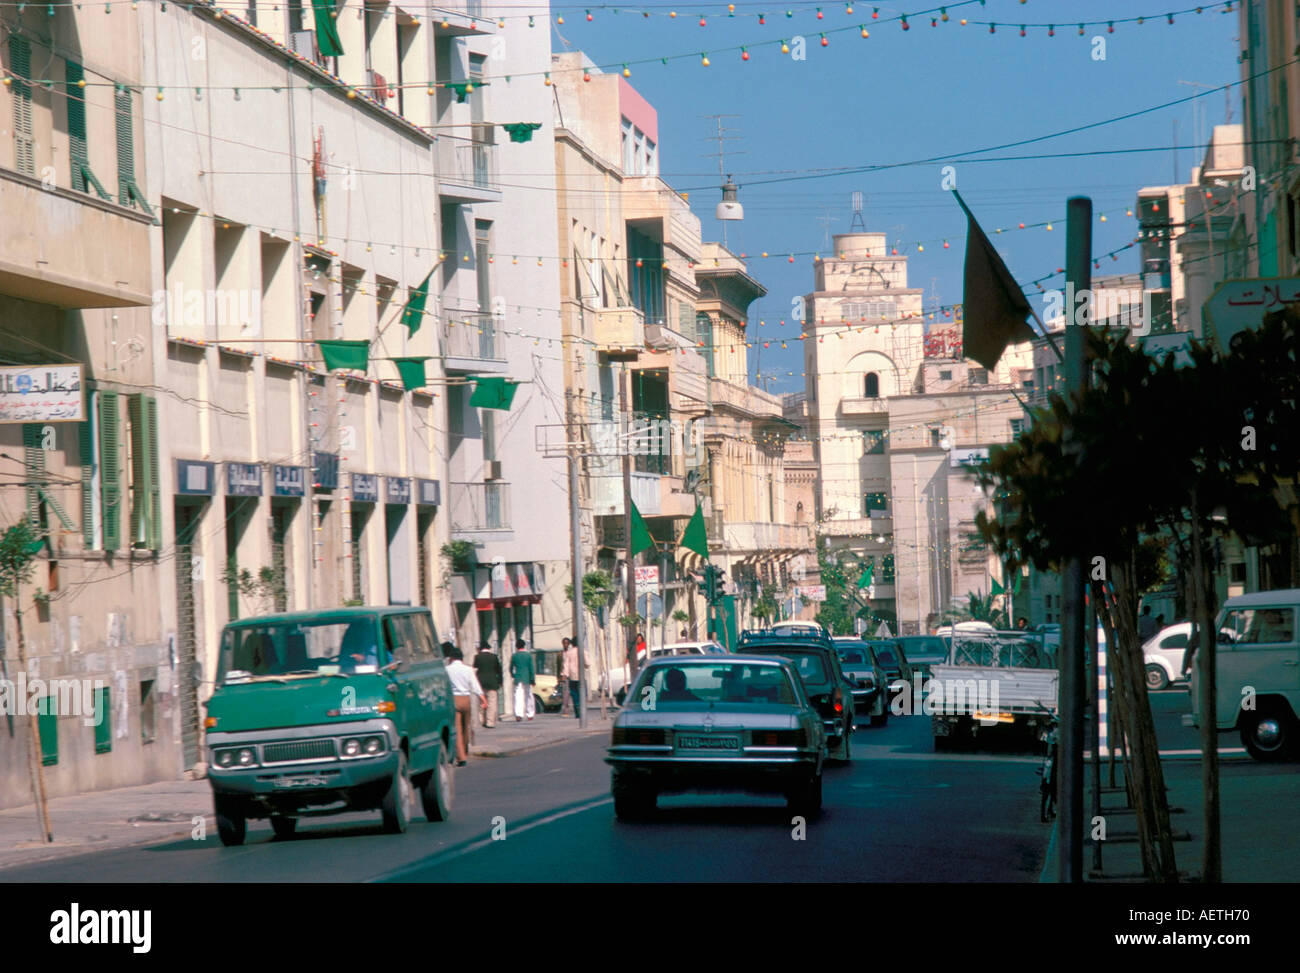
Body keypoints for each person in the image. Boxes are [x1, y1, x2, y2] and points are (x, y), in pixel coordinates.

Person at [444, 646, 484, 766]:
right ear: (461, 658)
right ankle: (465, 751)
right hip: (466, 699)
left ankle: (461, 757)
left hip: (454, 699)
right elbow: (475, 685)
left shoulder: (446, 669)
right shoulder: (468, 669)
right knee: (466, 726)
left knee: (457, 729)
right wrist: (483, 698)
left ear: (451, 658)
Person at [474, 643, 503, 728]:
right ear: (488, 648)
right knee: (492, 702)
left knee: (481, 702)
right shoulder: (494, 657)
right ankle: (490, 722)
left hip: (480, 683)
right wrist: (500, 681)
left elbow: (475, 669)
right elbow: (499, 670)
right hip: (492, 682)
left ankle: (482, 720)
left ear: (481, 648)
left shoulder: (477, 657)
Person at [510, 638, 536, 722]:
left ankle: (519, 714)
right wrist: (532, 679)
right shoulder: (528, 655)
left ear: (516, 646)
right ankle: (530, 714)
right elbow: (531, 668)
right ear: (524, 645)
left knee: (518, 696)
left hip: (518, 678)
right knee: (528, 696)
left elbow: (510, 668)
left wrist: (513, 675)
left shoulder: (514, 656)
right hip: (527, 678)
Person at [562, 636, 582, 719]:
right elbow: (588, 663)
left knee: (574, 693)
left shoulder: (569, 653)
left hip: (572, 676)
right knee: (581, 692)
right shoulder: (583, 651)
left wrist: (565, 674)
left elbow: (566, 665)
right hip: (581, 675)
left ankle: (577, 709)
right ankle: (581, 708)